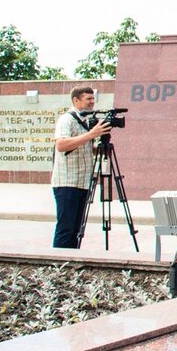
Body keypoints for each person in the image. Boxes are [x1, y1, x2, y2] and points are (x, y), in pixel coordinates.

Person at [51, 87, 110, 248]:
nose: (92, 102)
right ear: (76, 100)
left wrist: (101, 147)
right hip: (67, 182)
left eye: (93, 99)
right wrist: (92, 134)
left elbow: (84, 147)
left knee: (76, 228)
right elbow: (61, 144)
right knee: (66, 228)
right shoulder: (67, 119)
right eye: (88, 99)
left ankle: (72, 261)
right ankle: (58, 265)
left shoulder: (86, 121)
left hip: (83, 182)